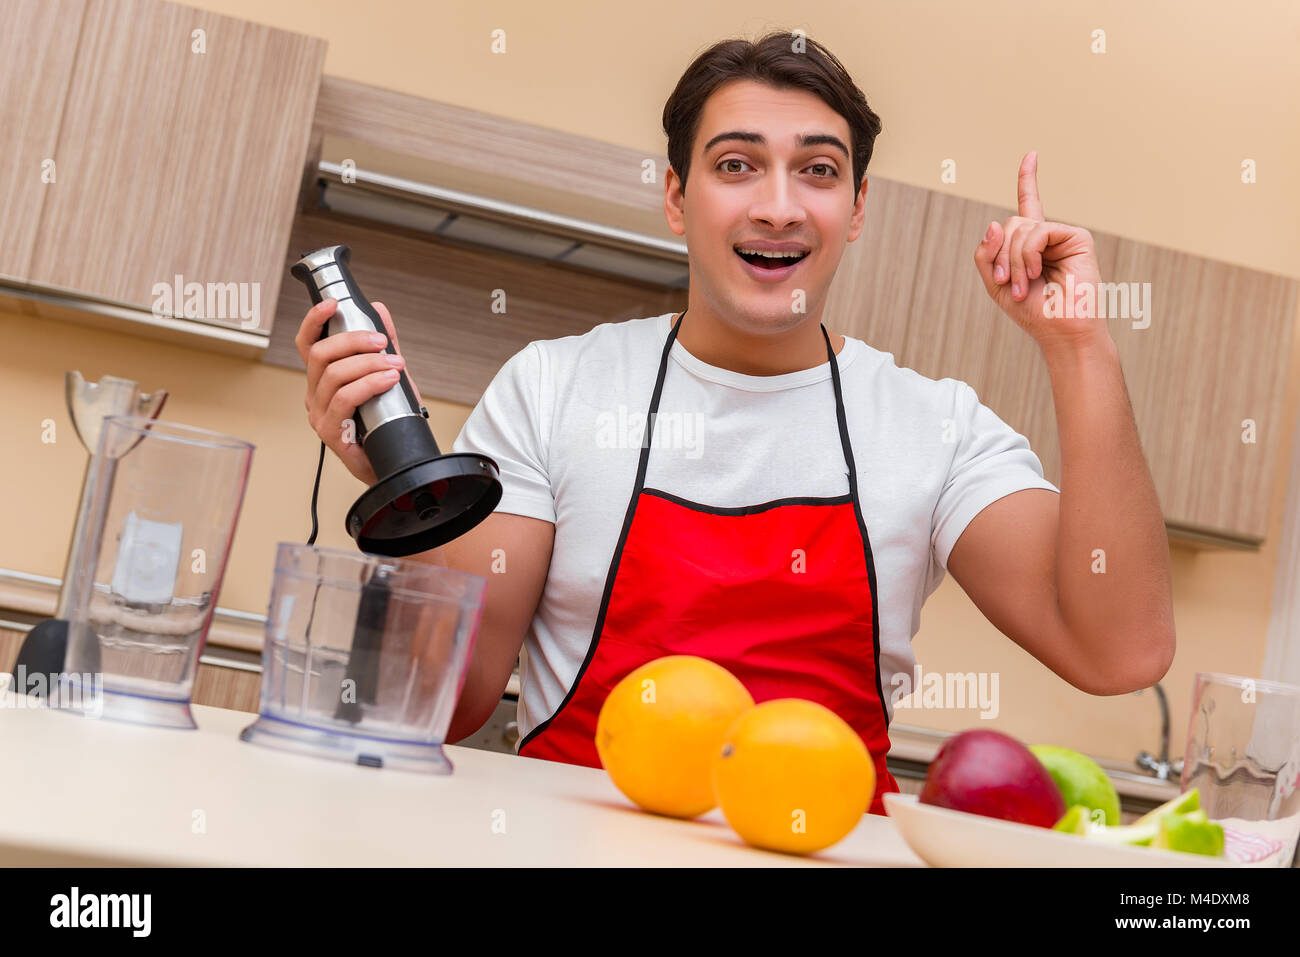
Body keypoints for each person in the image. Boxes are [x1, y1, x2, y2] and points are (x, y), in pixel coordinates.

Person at [295, 32, 1175, 816]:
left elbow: (1120, 651)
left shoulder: (933, 426)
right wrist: (404, 495)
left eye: (819, 171)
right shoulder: (555, 387)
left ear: (857, 209)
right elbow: (450, 701)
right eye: (737, 165)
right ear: (678, 198)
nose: (779, 206)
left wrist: (1080, 349)